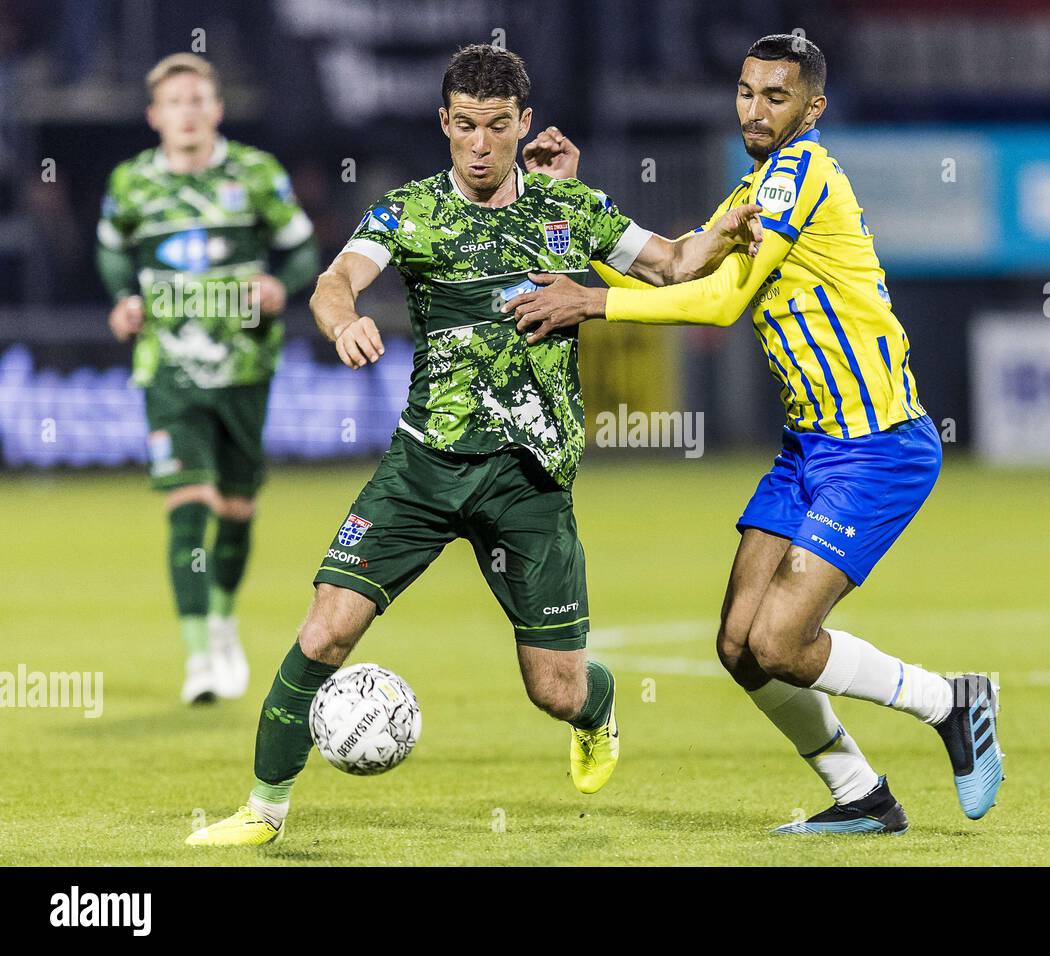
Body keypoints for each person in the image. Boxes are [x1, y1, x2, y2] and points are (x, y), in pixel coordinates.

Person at [187, 44, 763, 846]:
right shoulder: (410, 211)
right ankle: (263, 810)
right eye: (465, 126)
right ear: (444, 124)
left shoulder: (570, 210)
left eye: (496, 126)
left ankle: (596, 707)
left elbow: (671, 265)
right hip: (423, 467)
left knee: (554, 690)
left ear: (524, 123)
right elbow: (334, 281)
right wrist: (344, 320)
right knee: (325, 630)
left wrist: (726, 229)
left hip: (530, 479)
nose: (481, 145)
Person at [509, 34, 1003, 834]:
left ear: (813, 107)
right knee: (739, 645)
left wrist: (590, 304)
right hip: (809, 447)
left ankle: (951, 701)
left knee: (779, 640)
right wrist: (568, 201)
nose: (755, 110)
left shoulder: (801, 175)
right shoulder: (755, 188)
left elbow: (720, 303)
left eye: (777, 96)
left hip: (876, 446)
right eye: (745, 92)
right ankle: (862, 796)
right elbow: (674, 266)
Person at [96, 53, 318, 704]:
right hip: (167, 367)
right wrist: (123, 299)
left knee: (238, 510)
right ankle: (198, 658)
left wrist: (280, 284)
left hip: (245, 366)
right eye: (175, 102)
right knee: (188, 506)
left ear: (217, 109)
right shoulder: (132, 182)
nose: (187, 112)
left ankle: (222, 622)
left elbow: (303, 248)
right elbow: (111, 249)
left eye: (197, 100)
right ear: (154, 116)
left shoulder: (256, 173)